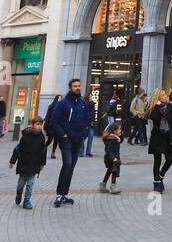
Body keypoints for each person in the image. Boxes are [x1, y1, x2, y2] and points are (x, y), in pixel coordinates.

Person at [49, 78, 91, 207]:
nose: (77, 88)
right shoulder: (63, 103)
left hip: (78, 139)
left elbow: (87, 120)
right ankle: (59, 195)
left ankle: (65, 194)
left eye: (79, 86)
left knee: (71, 167)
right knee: (67, 164)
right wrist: (63, 134)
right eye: (75, 86)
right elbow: (53, 121)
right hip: (66, 139)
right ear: (69, 88)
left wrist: (84, 134)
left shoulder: (83, 103)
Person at [9, 115, 47, 210]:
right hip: (24, 163)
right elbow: (18, 149)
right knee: (21, 183)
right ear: (32, 125)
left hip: (35, 164)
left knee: (30, 183)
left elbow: (43, 151)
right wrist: (12, 161)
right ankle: (19, 194)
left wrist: (42, 163)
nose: (39, 126)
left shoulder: (42, 137)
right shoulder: (25, 136)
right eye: (38, 124)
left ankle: (27, 201)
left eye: (41, 125)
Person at [148, 87, 172, 193]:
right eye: (162, 95)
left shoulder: (169, 106)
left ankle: (160, 176)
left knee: (170, 159)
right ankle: (156, 183)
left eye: (165, 94)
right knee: (157, 160)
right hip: (157, 136)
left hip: (167, 136)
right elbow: (151, 117)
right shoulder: (154, 107)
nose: (165, 96)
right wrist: (159, 110)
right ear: (157, 97)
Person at [98, 120, 123, 194]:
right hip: (111, 158)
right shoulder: (110, 139)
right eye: (119, 129)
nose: (120, 130)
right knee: (114, 171)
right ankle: (113, 187)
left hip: (115, 158)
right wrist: (114, 159)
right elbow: (108, 151)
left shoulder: (116, 138)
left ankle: (103, 184)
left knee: (109, 171)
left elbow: (121, 140)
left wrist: (120, 135)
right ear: (113, 131)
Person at [43, 96, 61, 161]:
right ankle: (43, 149)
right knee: (49, 140)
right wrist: (45, 125)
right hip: (51, 126)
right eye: (59, 98)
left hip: (57, 127)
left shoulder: (61, 107)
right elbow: (47, 115)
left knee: (56, 141)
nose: (60, 100)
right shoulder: (51, 106)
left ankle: (53, 153)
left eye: (61, 98)